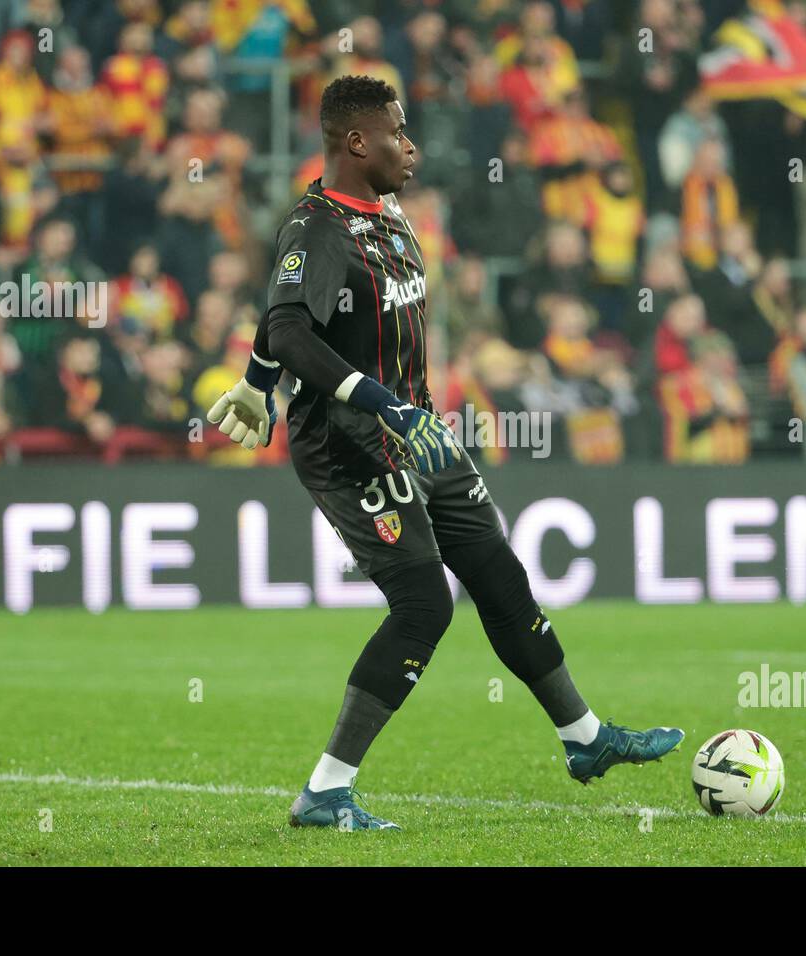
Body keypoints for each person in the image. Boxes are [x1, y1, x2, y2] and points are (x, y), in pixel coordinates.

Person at [206, 76, 682, 832]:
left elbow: (291, 330)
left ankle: (585, 740)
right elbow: (291, 325)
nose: (413, 145)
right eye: (398, 131)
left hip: (418, 430)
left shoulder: (388, 215)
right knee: (426, 604)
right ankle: (324, 793)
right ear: (357, 141)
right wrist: (292, 383)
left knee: (498, 573)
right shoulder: (316, 227)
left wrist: (258, 381)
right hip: (352, 443)